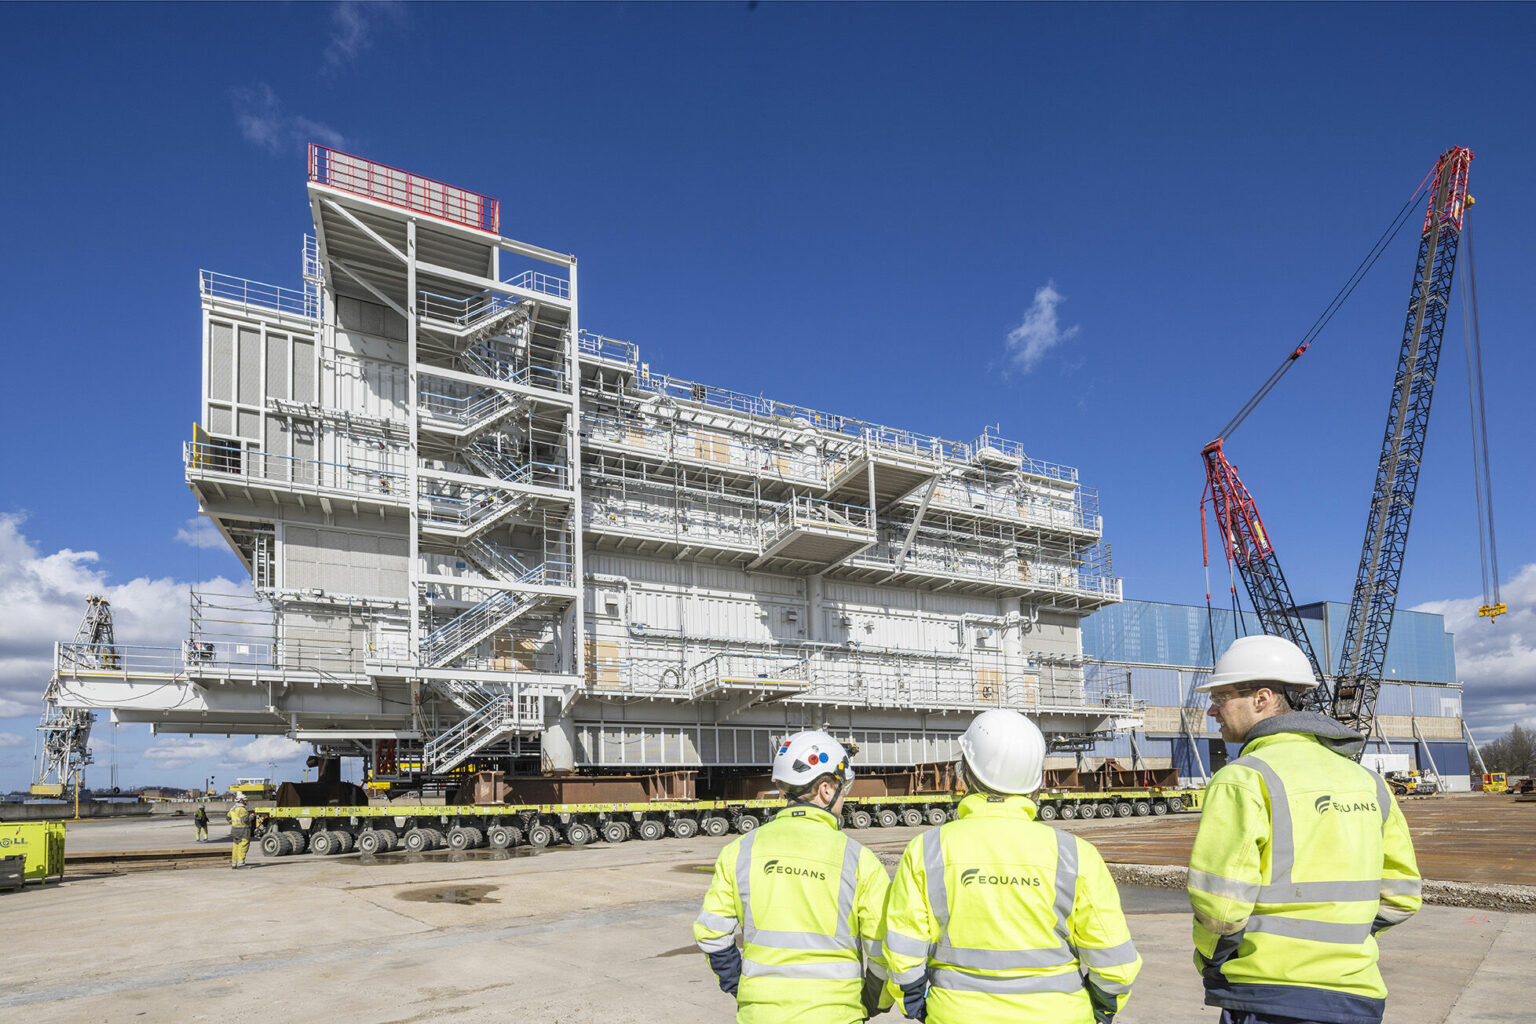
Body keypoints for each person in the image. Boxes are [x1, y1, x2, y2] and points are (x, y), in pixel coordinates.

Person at [1188, 635, 1422, 1024]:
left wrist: (1214, 961)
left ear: (1262, 698)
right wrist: (1345, 938)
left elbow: (1221, 908)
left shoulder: (1245, 778)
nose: (1213, 710)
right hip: (1356, 994)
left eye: (1221, 697)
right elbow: (1403, 894)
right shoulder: (1367, 781)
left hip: (1268, 993)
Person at [882, 709, 1141, 1024]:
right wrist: (1099, 1008)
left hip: (957, 1015)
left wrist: (917, 1004)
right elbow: (1115, 964)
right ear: (1038, 781)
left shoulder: (927, 850)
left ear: (965, 773)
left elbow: (902, 953)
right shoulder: (1075, 855)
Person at [694, 730, 893, 1023]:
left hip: (760, 1014)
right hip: (837, 1014)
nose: (843, 799)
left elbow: (712, 935)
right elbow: (883, 951)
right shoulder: (859, 860)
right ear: (826, 790)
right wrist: (871, 1003)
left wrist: (744, 988)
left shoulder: (739, 852)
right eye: (843, 789)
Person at [227, 793, 253, 869]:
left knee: (236, 846)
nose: (246, 802)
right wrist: (251, 816)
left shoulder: (232, 808)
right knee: (243, 846)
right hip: (243, 830)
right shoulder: (242, 809)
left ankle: (234, 863)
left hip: (234, 830)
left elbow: (228, 818)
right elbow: (245, 820)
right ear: (241, 800)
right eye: (245, 800)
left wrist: (233, 823)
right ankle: (241, 863)